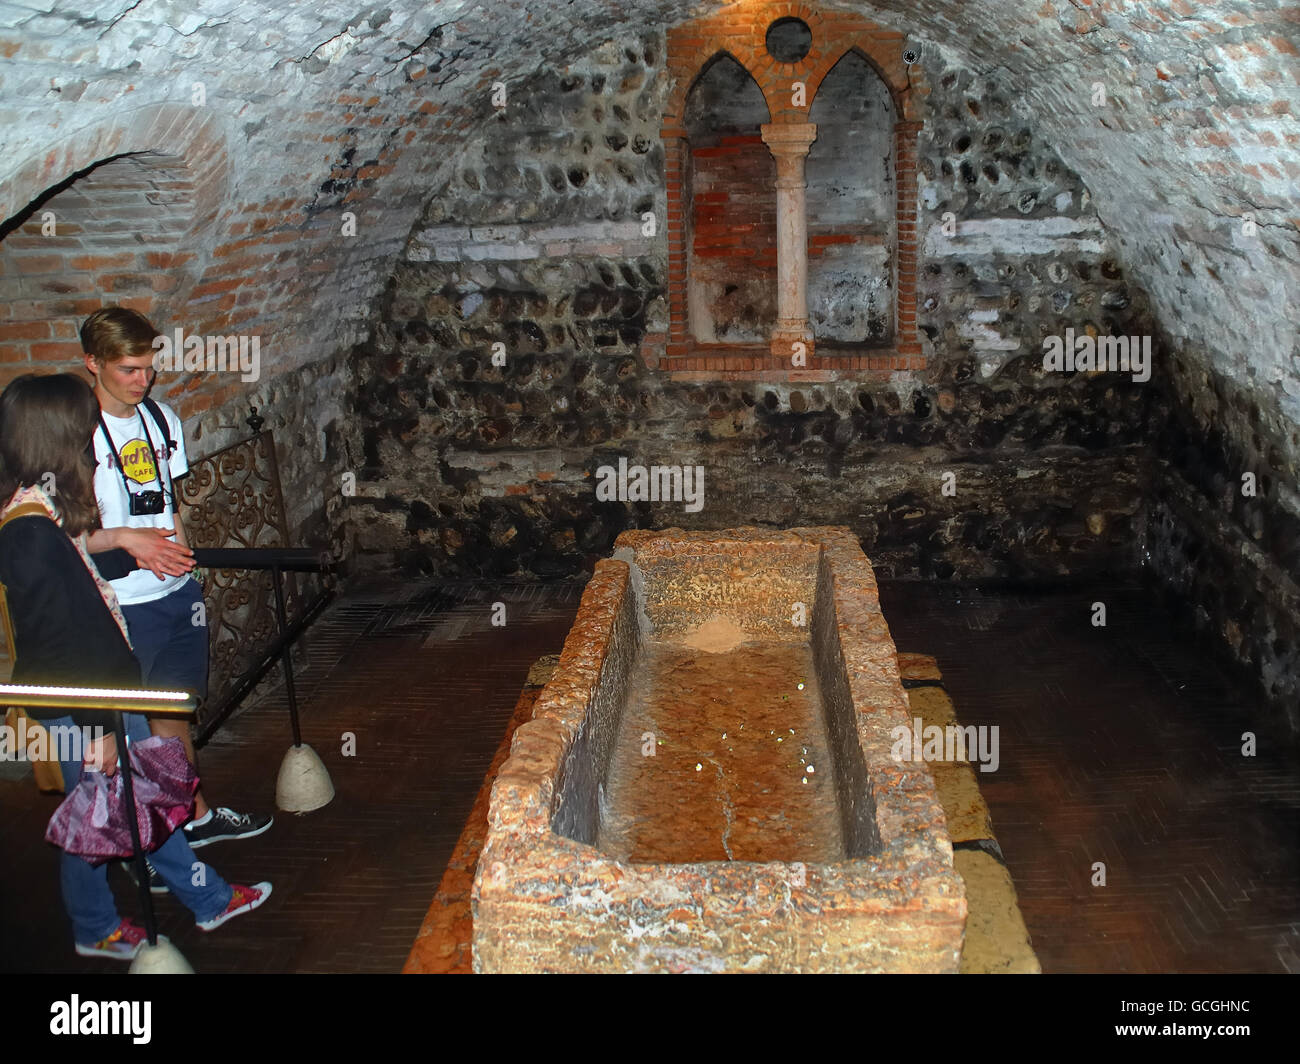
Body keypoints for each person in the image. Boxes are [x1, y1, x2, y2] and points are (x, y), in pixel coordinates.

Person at [0, 373, 271, 959]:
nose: (92, 436)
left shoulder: (41, 509)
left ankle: (189, 901)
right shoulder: (28, 533)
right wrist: (100, 727)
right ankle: (149, 913)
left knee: (119, 805)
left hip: (97, 698)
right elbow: (55, 642)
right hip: (86, 706)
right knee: (103, 815)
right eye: (84, 425)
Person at [80, 307, 271, 861]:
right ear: (92, 364)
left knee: (172, 715)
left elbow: (166, 502)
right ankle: (150, 851)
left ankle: (194, 817)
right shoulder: (75, 435)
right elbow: (62, 534)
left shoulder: (161, 419)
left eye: (148, 368)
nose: (142, 381)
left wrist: (185, 568)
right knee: (132, 731)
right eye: (128, 370)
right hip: (120, 604)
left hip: (173, 595)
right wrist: (124, 540)